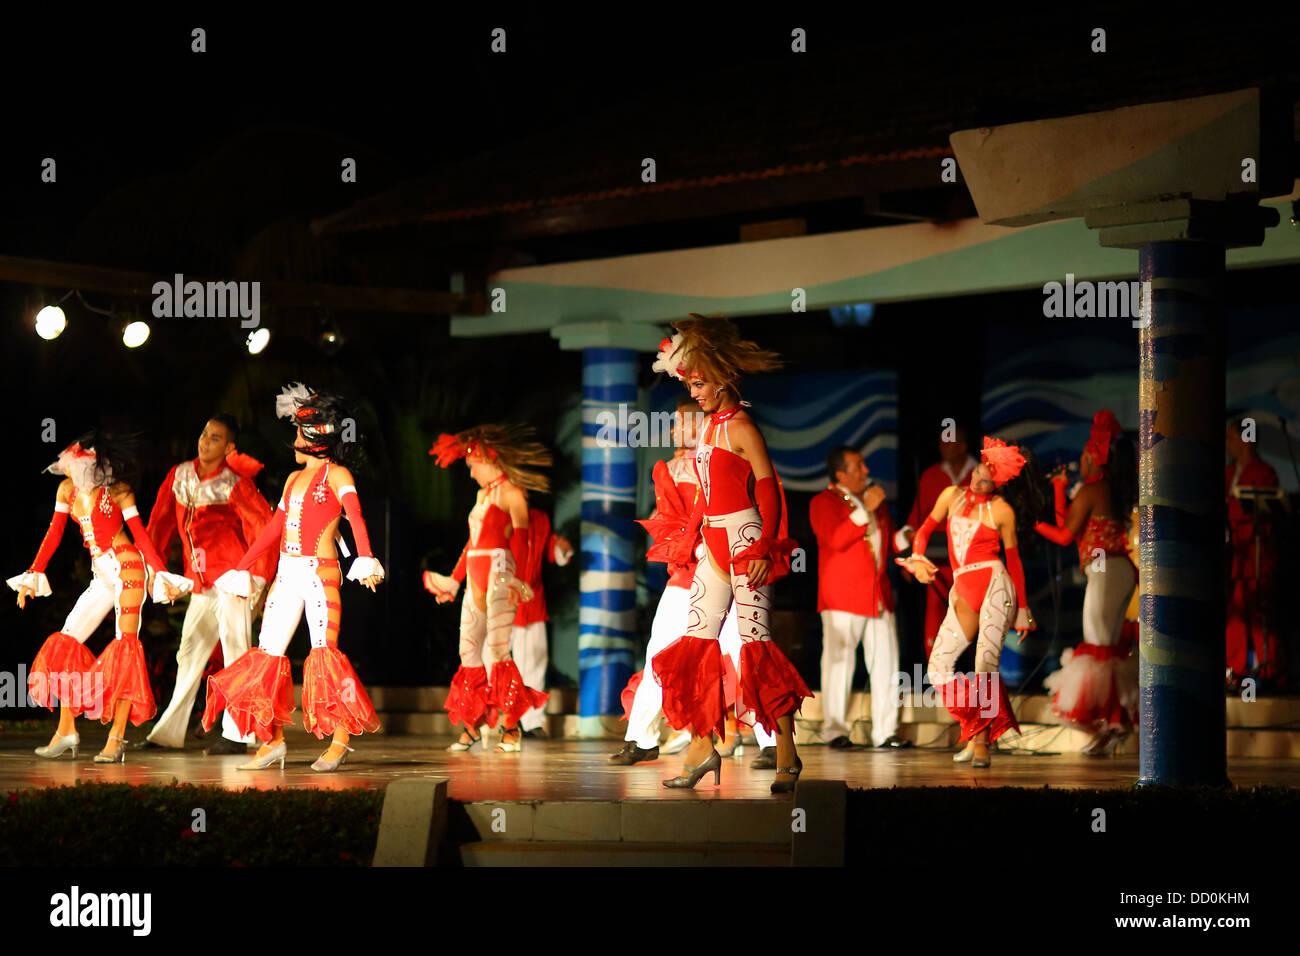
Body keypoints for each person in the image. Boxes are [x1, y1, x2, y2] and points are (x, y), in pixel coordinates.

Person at [650, 315, 812, 794]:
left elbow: (769, 488)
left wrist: (765, 545)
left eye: (699, 383)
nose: (694, 392)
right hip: (712, 546)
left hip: (745, 540)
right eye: (690, 383)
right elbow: (705, 492)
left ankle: (787, 752)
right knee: (695, 647)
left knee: (756, 648)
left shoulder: (743, 427)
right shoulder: (707, 429)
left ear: (722, 378)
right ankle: (702, 750)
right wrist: (688, 536)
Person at [201, 384, 384, 772]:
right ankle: (272, 742)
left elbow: (356, 517)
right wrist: (244, 564)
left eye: (301, 432)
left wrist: (366, 558)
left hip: (320, 573)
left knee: (323, 654)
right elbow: (272, 530)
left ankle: (339, 741)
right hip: (286, 573)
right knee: (267, 653)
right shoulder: (292, 480)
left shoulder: (338, 475)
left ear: (319, 436)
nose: (295, 439)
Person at [10, 433, 192, 762]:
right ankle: (66, 730)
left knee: (125, 649)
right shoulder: (66, 489)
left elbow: (139, 535)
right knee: (64, 642)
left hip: (128, 569)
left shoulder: (118, 491)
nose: (70, 468)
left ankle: (116, 738)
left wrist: (162, 574)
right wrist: (32, 574)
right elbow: (54, 533)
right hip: (101, 576)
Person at [896, 436, 1042, 769]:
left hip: (995, 585)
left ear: (998, 484)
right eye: (977, 473)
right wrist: (917, 557)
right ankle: (975, 724)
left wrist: (1022, 610)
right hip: (962, 586)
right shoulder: (951, 495)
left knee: (984, 666)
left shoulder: (1002, 511)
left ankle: (981, 744)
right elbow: (925, 528)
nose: (977, 480)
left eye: (986, 479)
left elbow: (1014, 561)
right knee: (937, 668)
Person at [140, 415, 276, 754]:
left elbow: (264, 529)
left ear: (229, 447)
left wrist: (256, 579)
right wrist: (157, 572)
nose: (205, 441)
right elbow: (159, 523)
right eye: (204, 434)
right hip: (200, 583)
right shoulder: (179, 474)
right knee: (189, 651)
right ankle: (168, 732)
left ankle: (238, 735)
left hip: (232, 579)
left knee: (236, 652)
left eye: (215, 438)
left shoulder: (234, 483)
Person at [426, 424, 551, 753]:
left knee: (497, 653)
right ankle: (472, 726)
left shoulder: (513, 494)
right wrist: (453, 579)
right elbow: (472, 542)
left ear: (486, 458)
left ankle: (511, 728)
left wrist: (518, 580)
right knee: (468, 651)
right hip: (475, 573)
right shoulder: (482, 496)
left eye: (472, 467)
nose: (471, 474)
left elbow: (523, 539)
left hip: (500, 573)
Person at [1035, 410, 1139, 754]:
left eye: (1084, 452)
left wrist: (1031, 522)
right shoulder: (1100, 490)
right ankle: (1110, 726)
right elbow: (1072, 521)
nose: (1080, 458)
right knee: (1103, 647)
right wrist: (1060, 487)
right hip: (1114, 570)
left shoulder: (1095, 489)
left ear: (1095, 456)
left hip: (1106, 571)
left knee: (1099, 647)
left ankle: (1111, 726)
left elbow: (1065, 535)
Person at [810, 446, 909, 749]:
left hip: (877, 594)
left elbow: (885, 542)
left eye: (864, 465)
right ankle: (835, 730)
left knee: (886, 663)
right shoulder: (823, 502)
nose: (865, 471)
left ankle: (885, 731)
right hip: (843, 595)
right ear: (840, 474)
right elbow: (838, 539)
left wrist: (907, 536)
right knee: (839, 664)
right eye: (858, 466)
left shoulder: (873, 503)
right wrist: (865, 508)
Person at [896, 426, 977, 658]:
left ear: (962, 446)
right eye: (941, 442)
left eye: (950, 442)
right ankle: (937, 683)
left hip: (972, 563)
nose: (943, 447)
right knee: (935, 619)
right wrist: (912, 555)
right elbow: (915, 524)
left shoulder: (980, 475)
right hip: (939, 562)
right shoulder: (930, 475)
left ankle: (974, 683)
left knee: (975, 620)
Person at [1224, 416, 1282, 687]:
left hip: (1257, 553)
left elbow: (1268, 510)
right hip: (1235, 553)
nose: (1227, 444)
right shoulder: (1226, 473)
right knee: (1235, 613)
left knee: (1261, 612)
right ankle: (1236, 669)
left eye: (1231, 438)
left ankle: (1269, 669)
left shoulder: (1264, 472)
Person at [510, 507, 573, 738]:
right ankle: (500, 720)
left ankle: (531, 721)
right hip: (503, 599)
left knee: (534, 662)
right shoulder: (500, 511)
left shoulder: (540, 517)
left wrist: (561, 548)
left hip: (532, 602)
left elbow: (549, 549)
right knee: (497, 663)